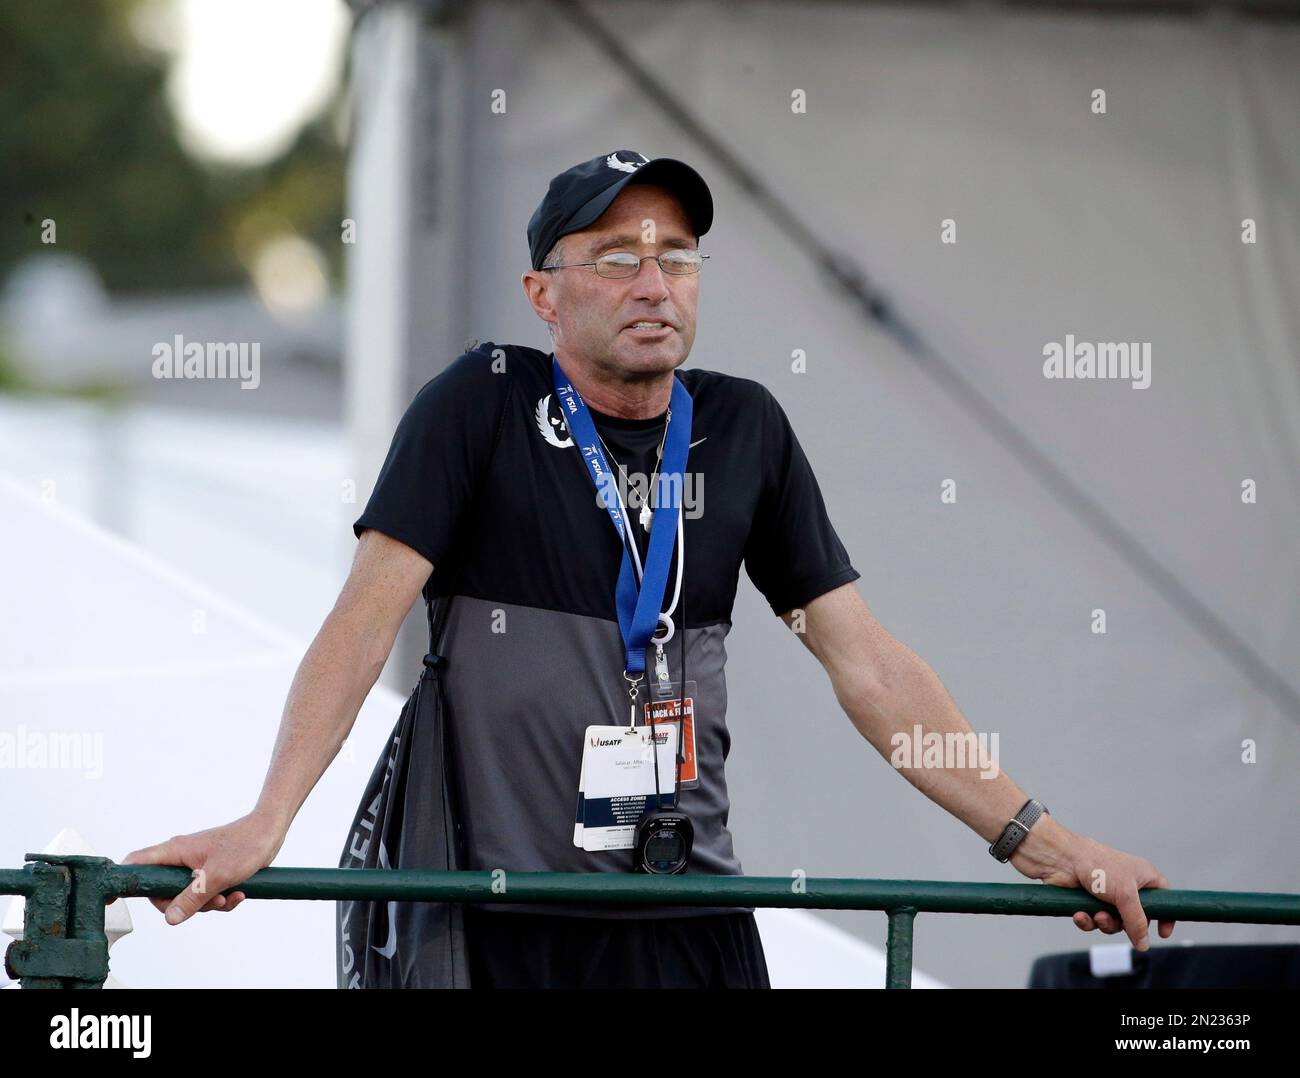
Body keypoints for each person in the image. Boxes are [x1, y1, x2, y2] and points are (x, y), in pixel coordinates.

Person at [119, 149, 1174, 988]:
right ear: (544, 291)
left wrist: (1045, 840)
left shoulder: (742, 425)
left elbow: (866, 664)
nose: (654, 282)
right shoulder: (481, 400)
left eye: (678, 255)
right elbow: (361, 624)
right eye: (616, 257)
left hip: (685, 916)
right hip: (500, 918)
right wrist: (268, 820)